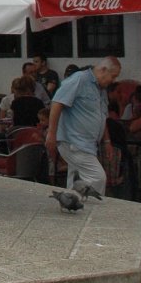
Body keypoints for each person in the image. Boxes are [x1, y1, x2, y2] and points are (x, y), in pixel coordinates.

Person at [45, 56, 121, 197]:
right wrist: (51, 133)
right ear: (104, 70)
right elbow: (57, 103)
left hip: (88, 143)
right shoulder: (79, 79)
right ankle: (88, 209)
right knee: (97, 177)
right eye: (113, 76)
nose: (113, 80)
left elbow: (102, 116)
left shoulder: (101, 89)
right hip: (73, 141)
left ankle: (71, 206)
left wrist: (107, 141)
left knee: (76, 178)